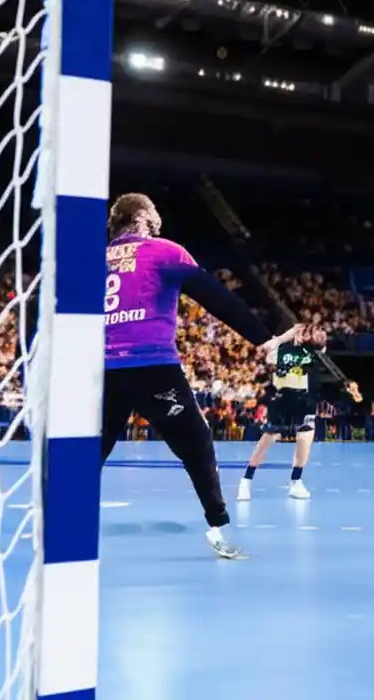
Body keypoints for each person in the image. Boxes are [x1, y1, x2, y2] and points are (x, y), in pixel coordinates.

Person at [101, 193, 284, 560]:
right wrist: (263, 338)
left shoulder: (95, 259)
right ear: (142, 219)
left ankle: (55, 524)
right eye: (154, 211)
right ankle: (219, 528)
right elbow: (212, 295)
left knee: (86, 454)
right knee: (197, 445)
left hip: (100, 371)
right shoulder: (163, 250)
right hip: (152, 367)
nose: (158, 218)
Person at [237, 323, 327, 502]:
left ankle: (296, 481)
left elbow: (322, 344)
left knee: (304, 440)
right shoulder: (280, 349)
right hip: (282, 399)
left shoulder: (312, 351)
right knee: (267, 441)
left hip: (304, 400)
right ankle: (246, 480)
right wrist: (291, 333)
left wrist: (312, 333)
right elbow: (268, 348)